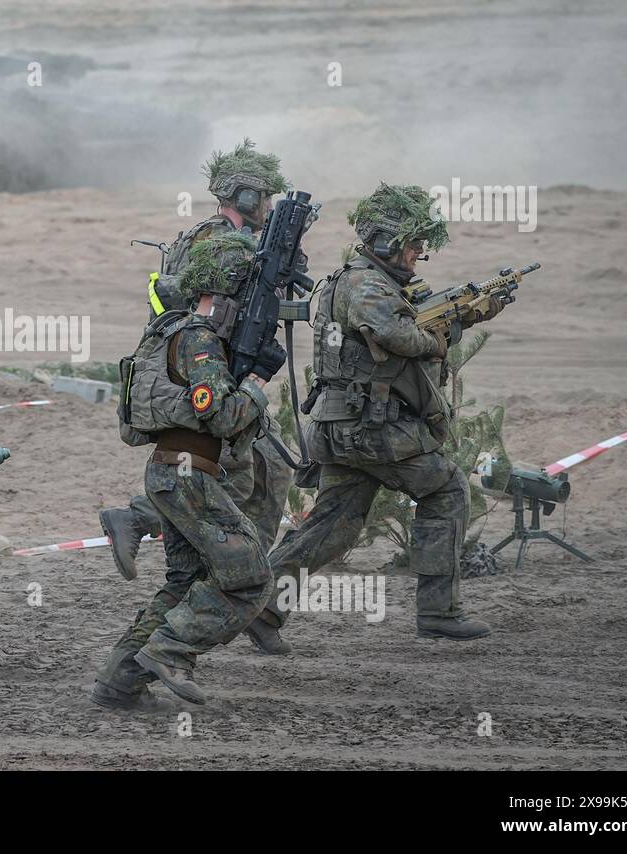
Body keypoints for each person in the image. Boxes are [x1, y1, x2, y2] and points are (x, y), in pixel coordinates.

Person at [246, 183, 504, 655]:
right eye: (410, 245)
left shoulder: (361, 279)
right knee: (445, 489)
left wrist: (463, 314)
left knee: (332, 526)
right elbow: (396, 335)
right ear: (385, 242)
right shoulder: (366, 284)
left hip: (349, 428)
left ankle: (263, 608)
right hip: (373, 430)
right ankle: (439, 613)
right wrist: (443, 339)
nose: (416, 254)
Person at [93, 232, 273, 709]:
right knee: (250, 577)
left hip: (176, 474)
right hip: (187, 473)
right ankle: (170, 652)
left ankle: (119, 680)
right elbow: (224, 416)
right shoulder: (198, 337)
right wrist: (255, 386)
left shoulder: (181, 333)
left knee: (184, 584)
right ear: (218, 291)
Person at [100, 140, 292, 584]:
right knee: (234, 473)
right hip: (210, 372)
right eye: (263, 197)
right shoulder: (221, 242)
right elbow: (213, 311)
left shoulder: (215, 237)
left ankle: (237, 583)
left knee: (266, 468)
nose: (267, 205)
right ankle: (232, 581)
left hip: (213, 371)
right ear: (245, 197)